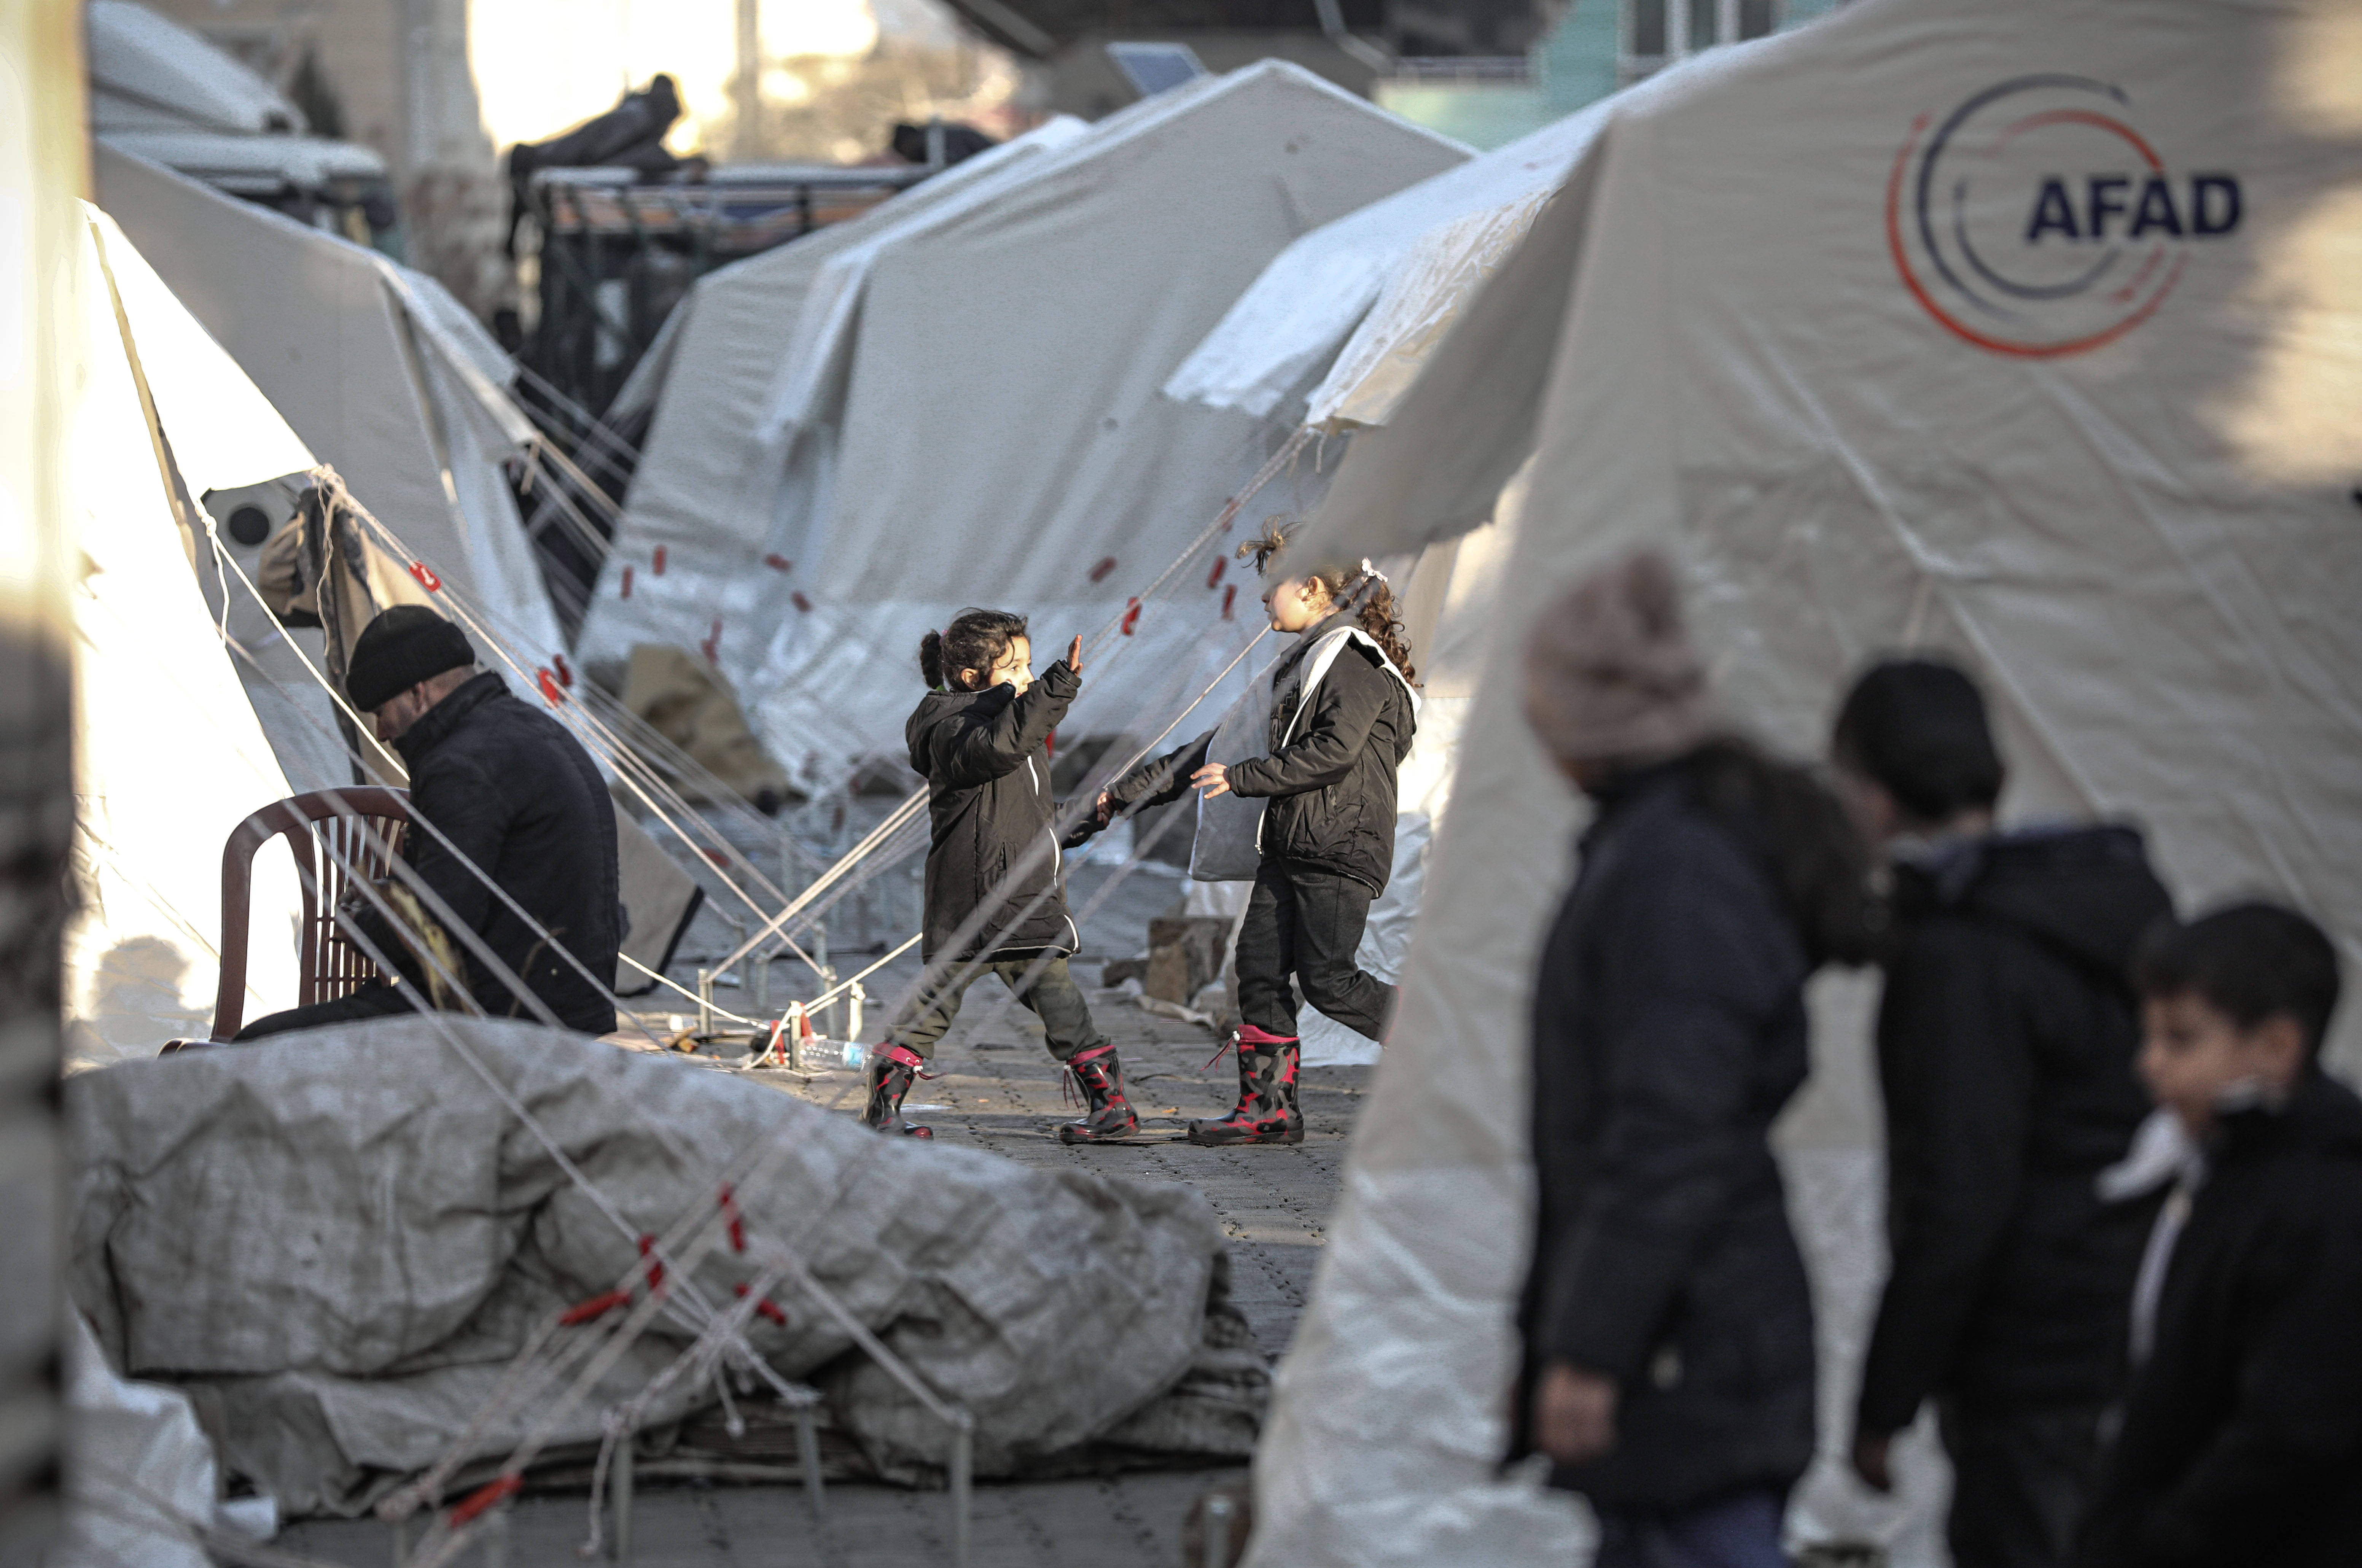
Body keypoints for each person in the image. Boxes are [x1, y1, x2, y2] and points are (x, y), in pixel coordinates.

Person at [1509, 549, 1871, 1568]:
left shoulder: (1673, 875)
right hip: (1685, 1327)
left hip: (1698, 1338)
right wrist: (1551, 1341)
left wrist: (1590, 1349)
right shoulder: (1660, 846)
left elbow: (1669, 1133)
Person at [1834, 659, 2173, 1568]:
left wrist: (1882, 1403)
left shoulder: (1963, 955)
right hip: (2123, 1314)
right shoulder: (2095, 900)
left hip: (2026, 1350)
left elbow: (1959, 1195)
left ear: (1870, 799)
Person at [1098, 521, 1418, 1146]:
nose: (1261, 598)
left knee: (1330, 981)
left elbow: (1334, 751)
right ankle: (1268, 1108)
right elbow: (1213, 744)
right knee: (1258, 970)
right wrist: (1123, 796)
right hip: (1292, 842)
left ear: (1315, 589)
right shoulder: (1301, 663)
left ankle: (1441, 1045)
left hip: (1337, 847)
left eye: (1273, 585)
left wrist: (1245, 777)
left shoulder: (1351, 661)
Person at [2075, 902, 2362, 1567]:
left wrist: (2165, 1537)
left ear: (2275, 1047)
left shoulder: (2324, 1203)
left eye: (2180, 1040)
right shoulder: (2212, 1169)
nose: (2148, 1063)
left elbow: (2291, 1428)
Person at [236, 605, 621, 1039]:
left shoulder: (462, 764)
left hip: (501, 1020)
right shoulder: (536, 730)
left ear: (418, 695)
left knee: (258, 1045)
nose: (381, 732)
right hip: (569, 1008)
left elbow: (440, 925)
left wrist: (362, 920)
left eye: (382, 711)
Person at [863, 609, 1135, 1143]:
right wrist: (1059, 687)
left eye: (1032, 666)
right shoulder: (949, 726)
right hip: (972, 898)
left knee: (1061, 1005)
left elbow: (1025, 814)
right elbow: (995, 751)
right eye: (1017, 668)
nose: (1029, 678)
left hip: (1021, 894)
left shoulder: (1011, 727)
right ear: (971, 678)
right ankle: (884, 1109)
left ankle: (1112, 1108)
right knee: (931, 1005)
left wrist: (1082, 819)